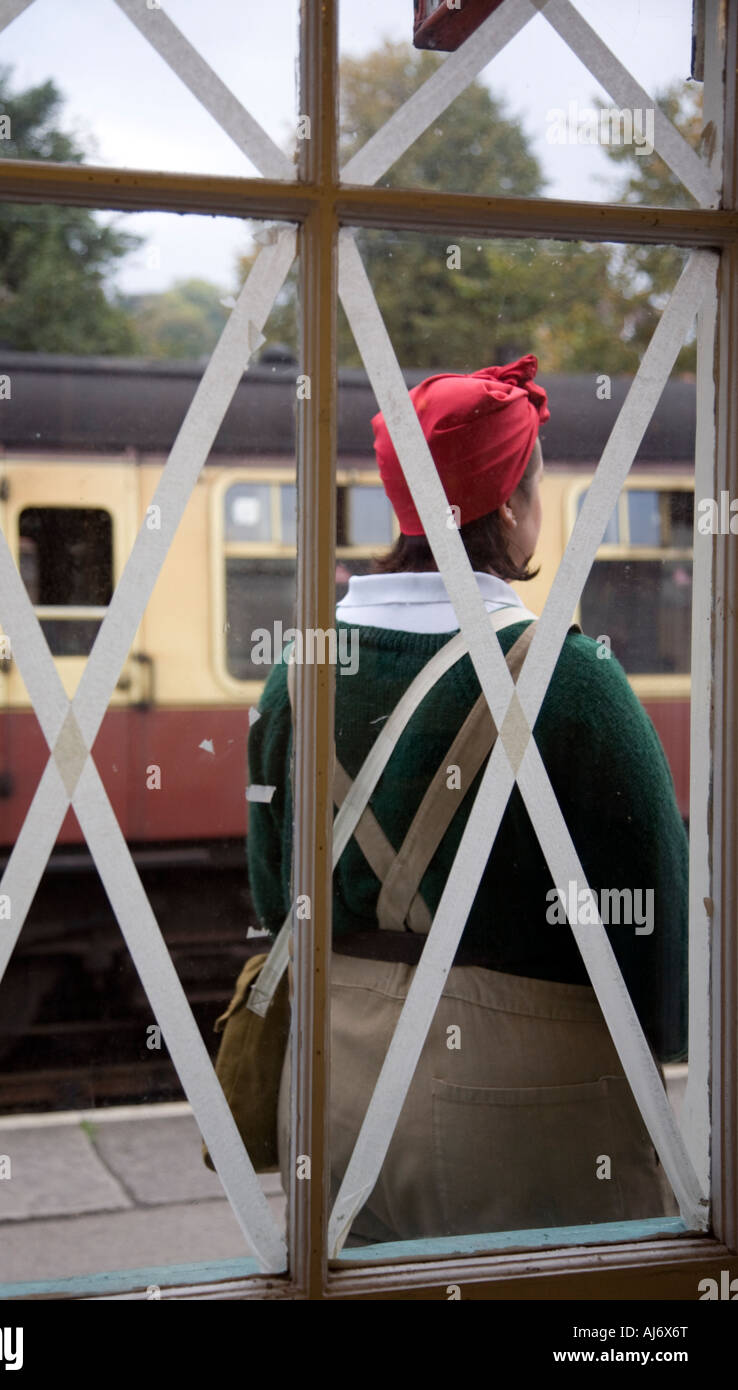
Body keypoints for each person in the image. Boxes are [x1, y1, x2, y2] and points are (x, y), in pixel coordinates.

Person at [247, 355, 687, 1245]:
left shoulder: (299, 676)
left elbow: (273, 895)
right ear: (516, 504)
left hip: (328, 1085)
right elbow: (655, 923)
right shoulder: (573, 679)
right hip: (521, 1107)